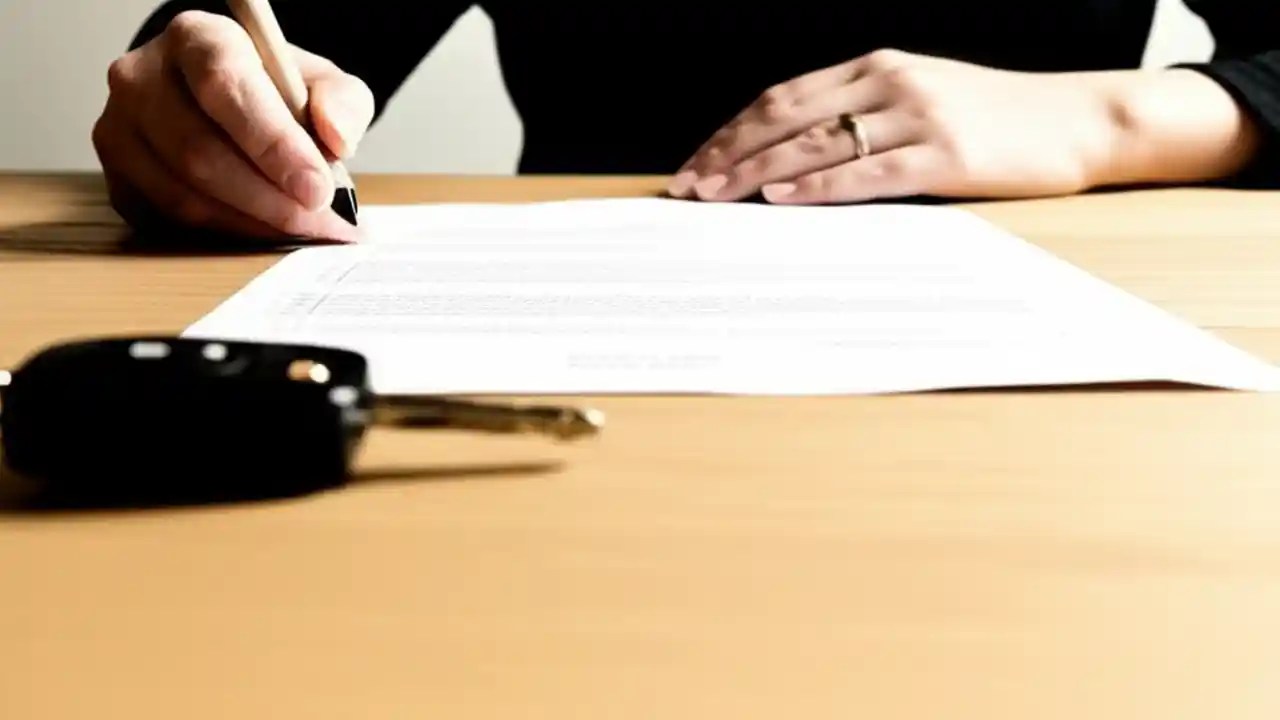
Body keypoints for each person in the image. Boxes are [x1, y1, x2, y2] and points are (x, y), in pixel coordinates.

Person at [94, 2, 1279, 243]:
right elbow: (251, 44)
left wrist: (1113, 115)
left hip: (1078, 357)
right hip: (583, 358)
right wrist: (195, 95)